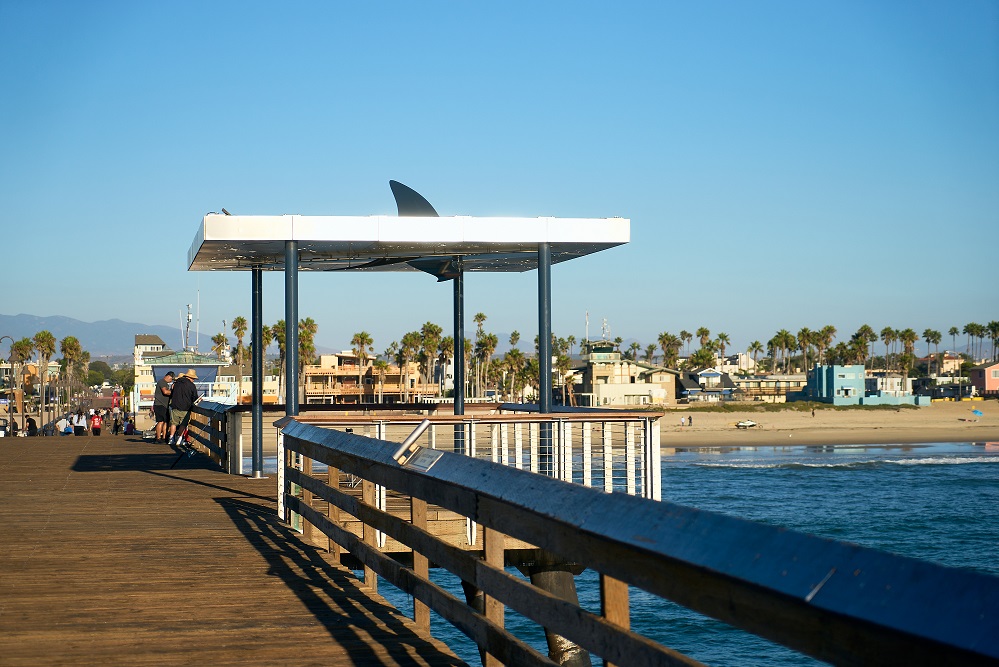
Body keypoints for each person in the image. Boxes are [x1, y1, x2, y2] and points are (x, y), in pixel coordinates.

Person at [168, 369, 200, 446]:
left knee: (173, 423)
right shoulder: (191, 385)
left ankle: (171, 439)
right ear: (191, 378)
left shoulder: (177, 383)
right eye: (193, 379)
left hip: (175, 406)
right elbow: (195, 397)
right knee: (183, 424)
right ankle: (179, 439)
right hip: (185, 407)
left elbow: (172, 393)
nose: (194, 380)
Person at [154, 371, 174, 443]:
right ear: (168, 376)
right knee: (160, 421)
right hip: (160, 405)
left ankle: (164, 437)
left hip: (165, 405)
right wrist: (175, 392)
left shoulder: (165, 384)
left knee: (166, 421)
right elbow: (165, 392)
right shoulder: (162, 382)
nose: (171, 381)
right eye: (171, 379)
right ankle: (158, 438)